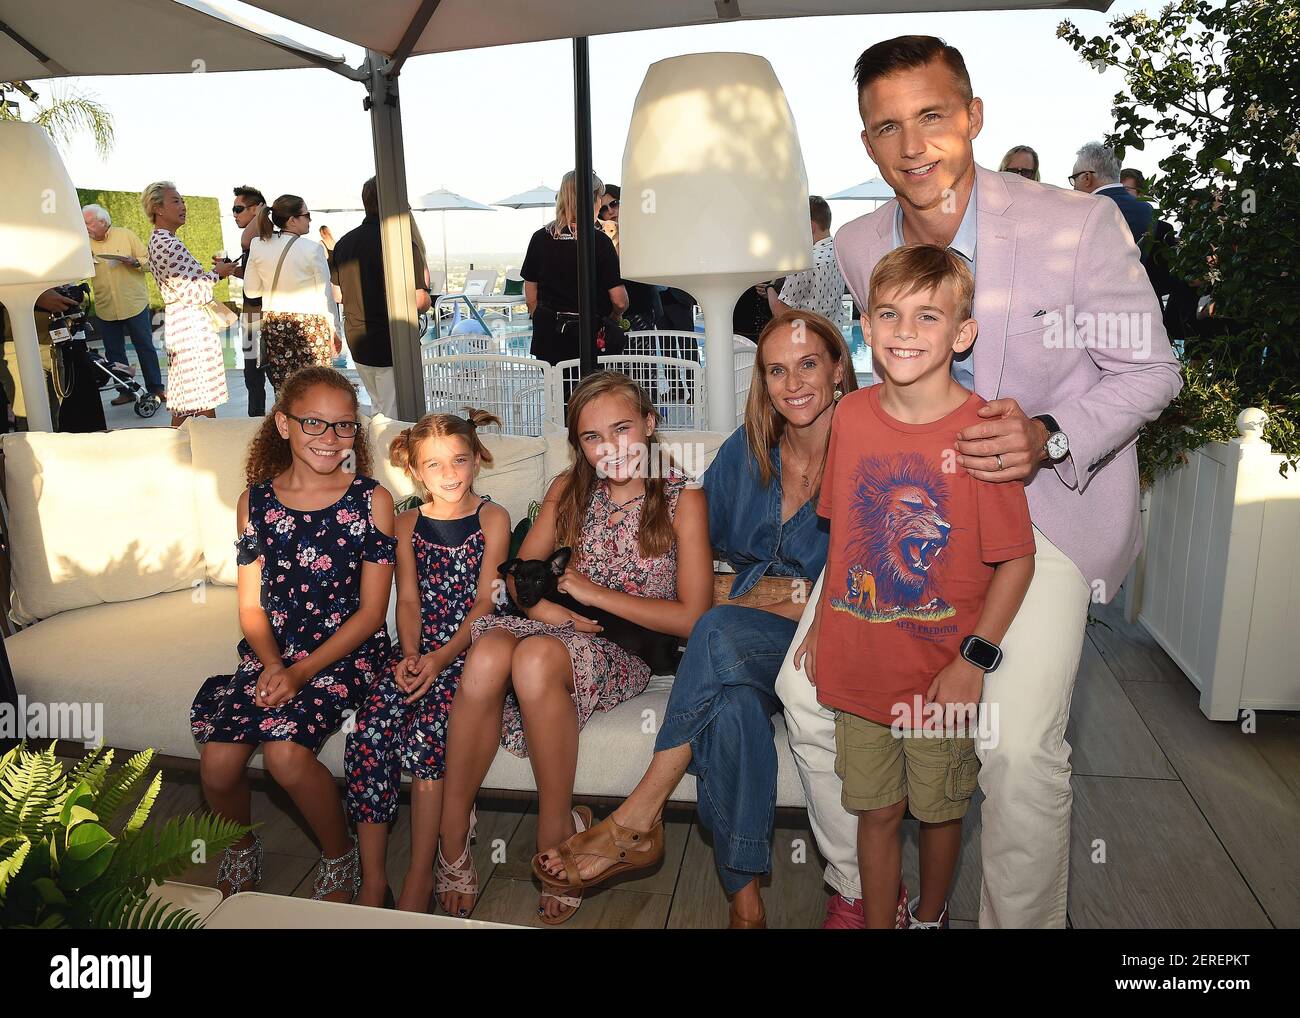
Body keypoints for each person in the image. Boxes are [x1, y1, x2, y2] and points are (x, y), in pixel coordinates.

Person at [779, 34, 1182, 930]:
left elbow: (1152, 372)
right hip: (912, 522)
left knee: (1015, 750)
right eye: (887, 127)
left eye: (932, 116)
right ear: (866, 142)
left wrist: (1048, 435)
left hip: (1044, 520)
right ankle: (862, 889)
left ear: (974, 118)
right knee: (804, 695)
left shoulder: (1076, 224)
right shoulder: (853, 246)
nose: (912, 145)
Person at [535, 310, 856, 929]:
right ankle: (747, 908)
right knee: (731, 704)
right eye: (776, 371)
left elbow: (860, 577)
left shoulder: (868, 450)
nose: (792, 384)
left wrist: (781, 595)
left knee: (712, 630)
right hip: (740, 643)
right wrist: (760, 592)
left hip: (826, 638)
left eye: (809, 364)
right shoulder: (749, 449)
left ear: (839, 368)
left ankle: (637, 815)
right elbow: (685, 546)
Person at [794, 244, 1036, 929]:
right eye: (889, 314)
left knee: (939, 811)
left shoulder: (984, 429)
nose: (904, 331)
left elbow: (1017, 561)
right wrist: (819, 624)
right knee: (875, 810)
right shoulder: (850, 417)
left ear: (963, 333)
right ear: (864, 326)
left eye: (927, 317)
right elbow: (843, 539)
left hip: (938, 675)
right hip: (858, 671)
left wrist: (972, 659)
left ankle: (929, 918)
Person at [436, 371, 713, 924]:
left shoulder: (684, 499)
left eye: (621, 429)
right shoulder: (569, 488)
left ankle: (555, 828)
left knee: (533, 659)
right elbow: (517, 577)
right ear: (578, 445)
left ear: (650, 426)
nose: (608, 448)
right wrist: (538, 605)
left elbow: (695, 618)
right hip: (554, 623)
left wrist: (592, 592)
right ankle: (451, 840)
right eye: (591, 437)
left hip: (624, 647)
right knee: (489, 648)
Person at [190, 366, 397, 903]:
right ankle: (239, 845)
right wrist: (275, 665)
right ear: (282, 424)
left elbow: (372, 615)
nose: (330, 439)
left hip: (345, 654)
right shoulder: (253, 503)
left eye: (344, 426)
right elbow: (251, 606)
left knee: (284, 755)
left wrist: (301, 670)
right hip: (272, 656)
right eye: (314, 424)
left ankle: (339, 853)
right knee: (216, 761)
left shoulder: (370, 501)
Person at [345, 408, 511, 913]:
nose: (450, 474)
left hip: (469, 651)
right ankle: (373, 878)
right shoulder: (406, 522)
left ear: (476, 460)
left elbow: (487, 602)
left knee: (427, 735)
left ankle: (422, 870)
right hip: (419, 650)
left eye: (459, 460)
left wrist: (440, 659)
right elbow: (409, 601)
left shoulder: (492, 518)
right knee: (370, 730)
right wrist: (413, 654)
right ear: (415, 471)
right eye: (434, 465)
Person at [330, 177, 432, 419]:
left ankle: (376, 454)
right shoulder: (401, 244)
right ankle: (388, 457)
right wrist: (428, 299)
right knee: (394, 416)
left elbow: (338, 294)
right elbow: (418, 301)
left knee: (379, 409)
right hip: (392, 341)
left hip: (357, 339)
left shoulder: (344, 243)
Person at [143, 181, 237, 427]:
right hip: (191, 327)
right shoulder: (168, 243)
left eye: (182, 200)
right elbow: (194, 292)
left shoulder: (161, 240)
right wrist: (219, 273)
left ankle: (185, 452)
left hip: (183, 324)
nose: (183, 206)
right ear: (158, 208)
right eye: (176, 201)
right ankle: (208, 453)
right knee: (200, 398)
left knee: (188, 400)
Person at [522, 170, 628, 366]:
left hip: (548, 339)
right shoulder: (599, 241)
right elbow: (620, 301)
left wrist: (546, 320)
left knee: (557, 394)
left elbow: (530, 296)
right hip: (590, 337)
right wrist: (611, 319)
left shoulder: (540, 238)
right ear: (593, 200)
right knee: (589, 394)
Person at [243, 194, 340, 394]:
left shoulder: (258, 245)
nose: (310, 220)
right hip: (310, 325)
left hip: (275, 322)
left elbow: (251, 291)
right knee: (317, 386)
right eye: (307, 215)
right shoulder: (313, 249)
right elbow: (326, 297)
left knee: (286, 391)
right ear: (292, 219)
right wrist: (335, 331)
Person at [81, 204, 165, 403]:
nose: (85, 228)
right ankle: (125, 391)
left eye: (87, 223)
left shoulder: (125, 235)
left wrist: (134, 262)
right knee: (113, 352)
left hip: (133, 302)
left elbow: (149, 261)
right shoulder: (84, 243)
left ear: (103, 222)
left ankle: (156, 389)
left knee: (144, 346)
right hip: (105, 305)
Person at [761, 196, 847, 328]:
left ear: (811, 226)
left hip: (805, 338)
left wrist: (770, 289)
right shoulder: (840, 252)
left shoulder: (805, 263)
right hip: (832, 336)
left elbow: (781, 313)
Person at [226, 186, 269, 416]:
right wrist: (232, 269)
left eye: (238, 209)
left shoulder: (264, 234)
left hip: (265, 312)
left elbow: (245, 241)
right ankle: (257, 422)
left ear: (256, 209)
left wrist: (263, 212)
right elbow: (253, 274)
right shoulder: (255, 235)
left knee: (269, 374)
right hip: (252, 312)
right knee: (252, 375)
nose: (234, 214)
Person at [1071, 142, 1155, 250]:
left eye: (1074, 179)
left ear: (1087, 177)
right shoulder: (1147, 209)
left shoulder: (1084, 210)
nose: (1073, 187)